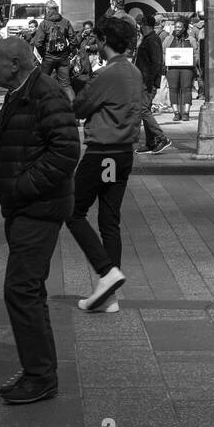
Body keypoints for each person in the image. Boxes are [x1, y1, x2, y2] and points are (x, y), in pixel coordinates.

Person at [0, 34, 80, 405]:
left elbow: (66, 151)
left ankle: (41, 375)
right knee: (29, 289)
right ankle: (39, 371)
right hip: (23, 207)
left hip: (38, 207)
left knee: (21, 289)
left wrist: (23, 186)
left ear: (15, 64)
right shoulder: (20, 92)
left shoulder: (45, 93)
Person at [66, 17, 146, 314]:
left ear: (102, 41)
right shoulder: (133, 72)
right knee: (109, 220)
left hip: (102, 152)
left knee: (72, 211)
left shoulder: (106, 73)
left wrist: (77, 85)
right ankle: (110, 295)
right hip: (123, 153)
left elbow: (80, 107)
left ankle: (106, 273)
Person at [135, 15, 171, 153]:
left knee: (143, 109)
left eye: (140, 25)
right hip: (144, 81)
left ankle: (161, 137)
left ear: (144, 25)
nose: (139, 28)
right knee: (146, 110)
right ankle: (151, 142)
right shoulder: (147, 39)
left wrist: (150, 82)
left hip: (147, 82)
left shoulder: (152, 40)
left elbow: (157, 63)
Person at [33, 1, 77, 106]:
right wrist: (67, 52)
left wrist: (44, 54)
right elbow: (74, 41)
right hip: (63, 58)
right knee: (66, 85)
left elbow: (38, 43)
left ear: (47, 10)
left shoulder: (44, 24)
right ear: (57, 9)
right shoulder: (65, 22)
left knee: (42, 83)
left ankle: (42, 107)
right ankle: (73, 109)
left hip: (48, 58)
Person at [165, 18, 195, 123]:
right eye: (176, 27)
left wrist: (193, 61)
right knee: (173, 89)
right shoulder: (169, 39)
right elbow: (163, 52)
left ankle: (186, 112)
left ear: (184, 28)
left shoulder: (191, 39)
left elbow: (196, 53)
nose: (177, 29)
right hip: (172, 69)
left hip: (187, 68)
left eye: (179, 27)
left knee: (187, 89)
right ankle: (176, 113)